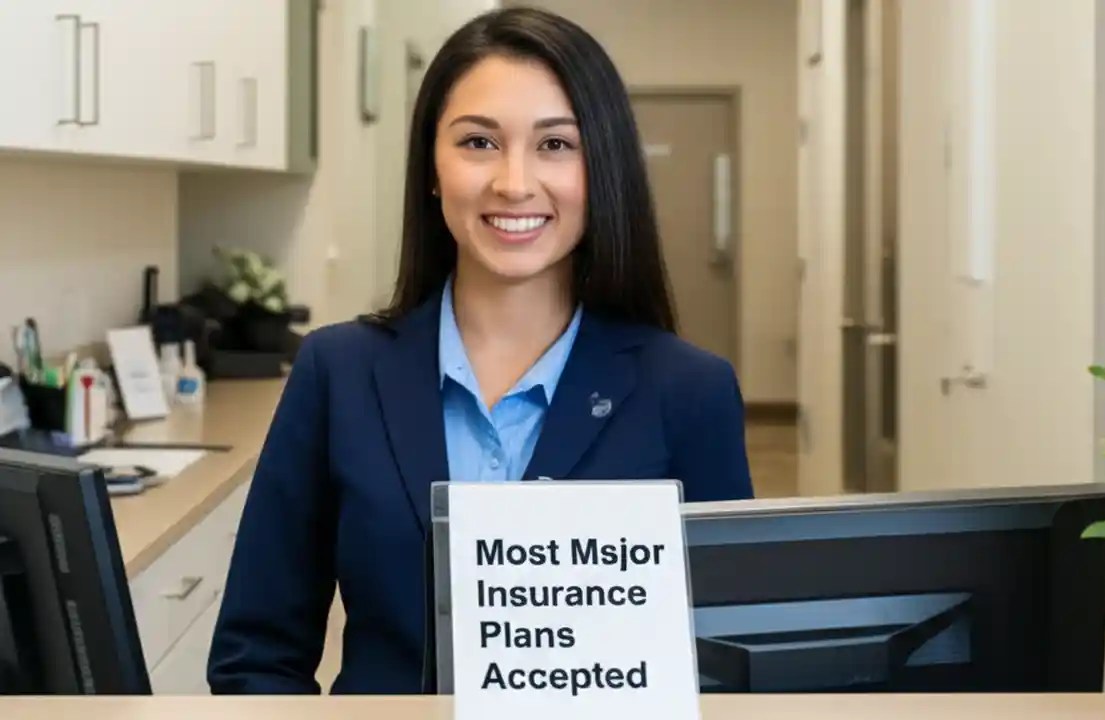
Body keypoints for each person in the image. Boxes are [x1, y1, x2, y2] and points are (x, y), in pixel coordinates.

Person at [207, 6, 754, 695]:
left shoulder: (689, 390)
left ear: (602, 169)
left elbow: (729, 675)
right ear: (432, 169)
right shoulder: (337, 371)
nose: (514, 182)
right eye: (478, 143)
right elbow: (256, 656)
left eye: (556, 145)